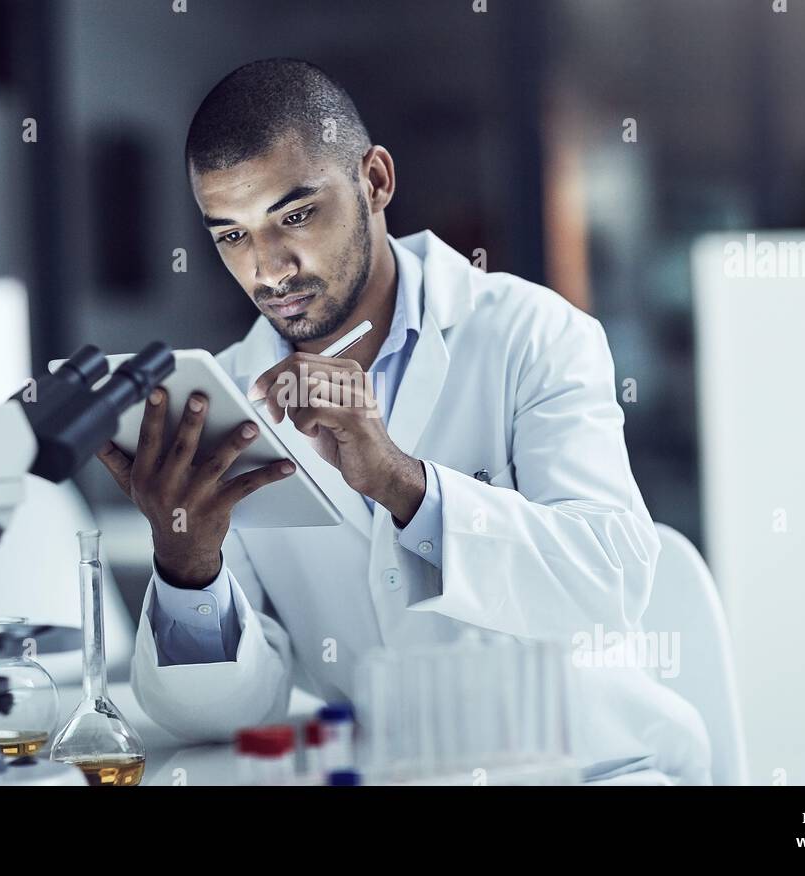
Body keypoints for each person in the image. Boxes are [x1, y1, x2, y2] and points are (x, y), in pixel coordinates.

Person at [97, 58, 710, 783]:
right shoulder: (230, 398)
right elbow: (226, 717)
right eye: (232, 234)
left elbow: (608, 586)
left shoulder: (532, 334)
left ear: (375, 181)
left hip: (591, 768)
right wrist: (188, 568)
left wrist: (402, 483)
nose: (268, 268)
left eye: (295, 216)